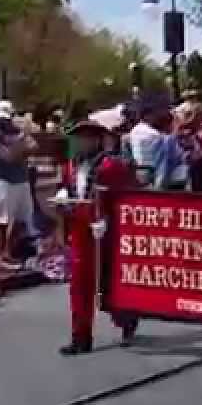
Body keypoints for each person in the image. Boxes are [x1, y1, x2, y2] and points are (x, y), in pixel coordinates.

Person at [57, 120, 139, 355]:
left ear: (96, 140)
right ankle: (81, 336)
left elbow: (127, 198)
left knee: (110, 282)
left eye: (85, 138)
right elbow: (68, 192)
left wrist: (110, 220)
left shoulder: (111, 166)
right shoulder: (70, 167)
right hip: (81, 232)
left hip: (106, 232)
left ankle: (126, 318)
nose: (80, 143)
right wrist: (63, 198)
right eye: (78, 138)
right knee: (79, 286)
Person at [0, 100, 35, 264]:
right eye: (1, 118)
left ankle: (9, 251)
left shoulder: (16, 130)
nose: (4, 122)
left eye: (7, 118)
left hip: (21, 179)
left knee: (21, 219)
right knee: (0, 220)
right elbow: (8, 157)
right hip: (2, 180)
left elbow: (34, 147)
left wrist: (21, 144)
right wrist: (22, 140)